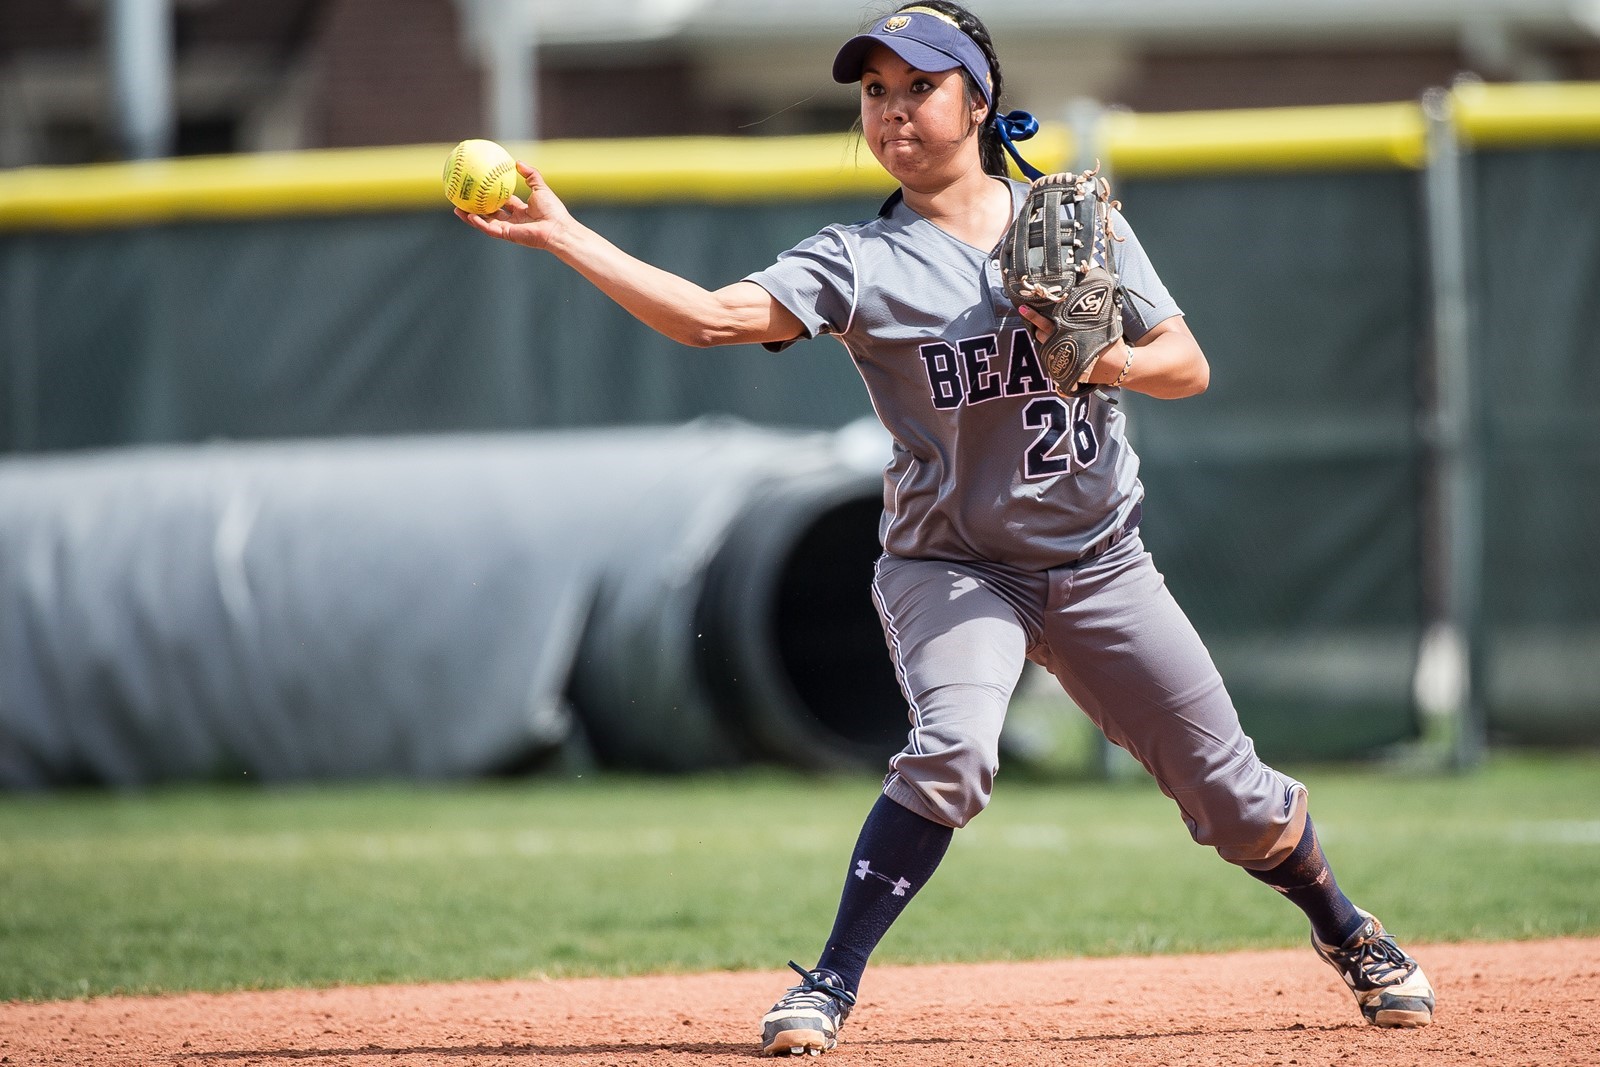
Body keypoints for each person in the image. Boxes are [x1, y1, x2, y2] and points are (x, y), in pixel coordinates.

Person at [457, 0, 1436, 1055]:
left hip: (1100, 562)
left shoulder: (1072, 222)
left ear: (977, 99)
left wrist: (1098, 354)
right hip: (953, 566)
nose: (891, 111)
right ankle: (827, 980)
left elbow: (1185, 368)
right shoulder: (856, 259)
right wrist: (562, 233)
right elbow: (707, 317)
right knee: (953, 751)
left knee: (1238, 803)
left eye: (918, 86)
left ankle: (1349, 930)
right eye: (873, 92)